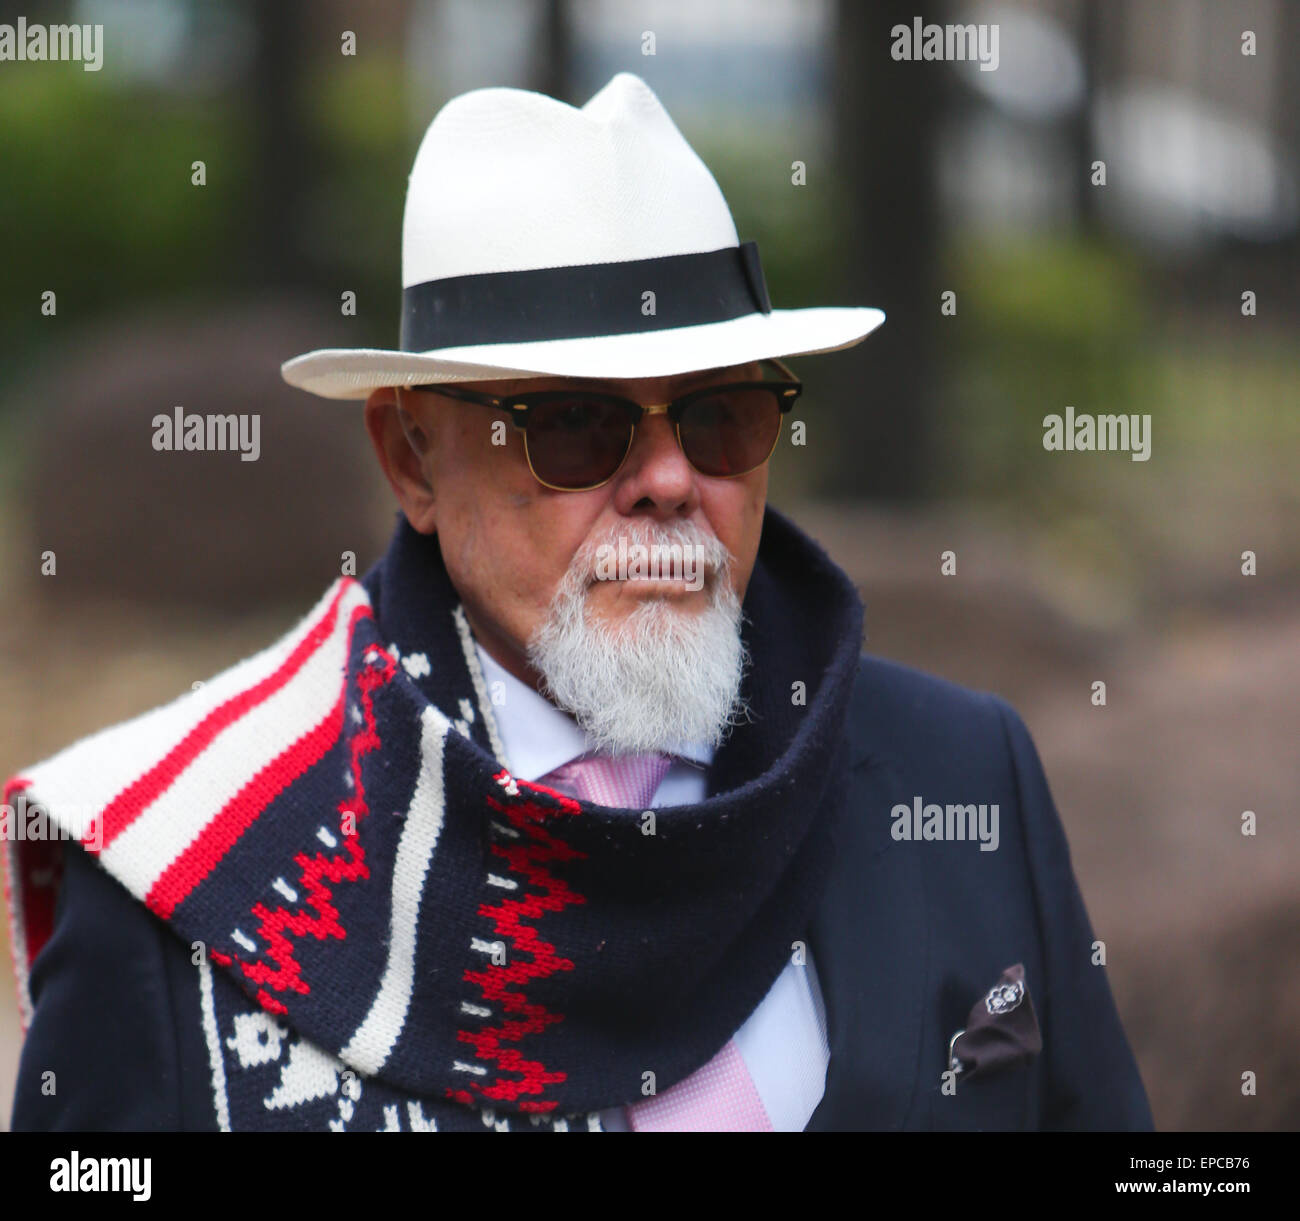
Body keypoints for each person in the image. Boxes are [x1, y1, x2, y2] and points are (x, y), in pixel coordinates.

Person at [4, 73, 1152, 1132]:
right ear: (411, 457)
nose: (665, 482)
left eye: (719, 418)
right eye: (575, 425)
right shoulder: (187, 873)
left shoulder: (958, 775)